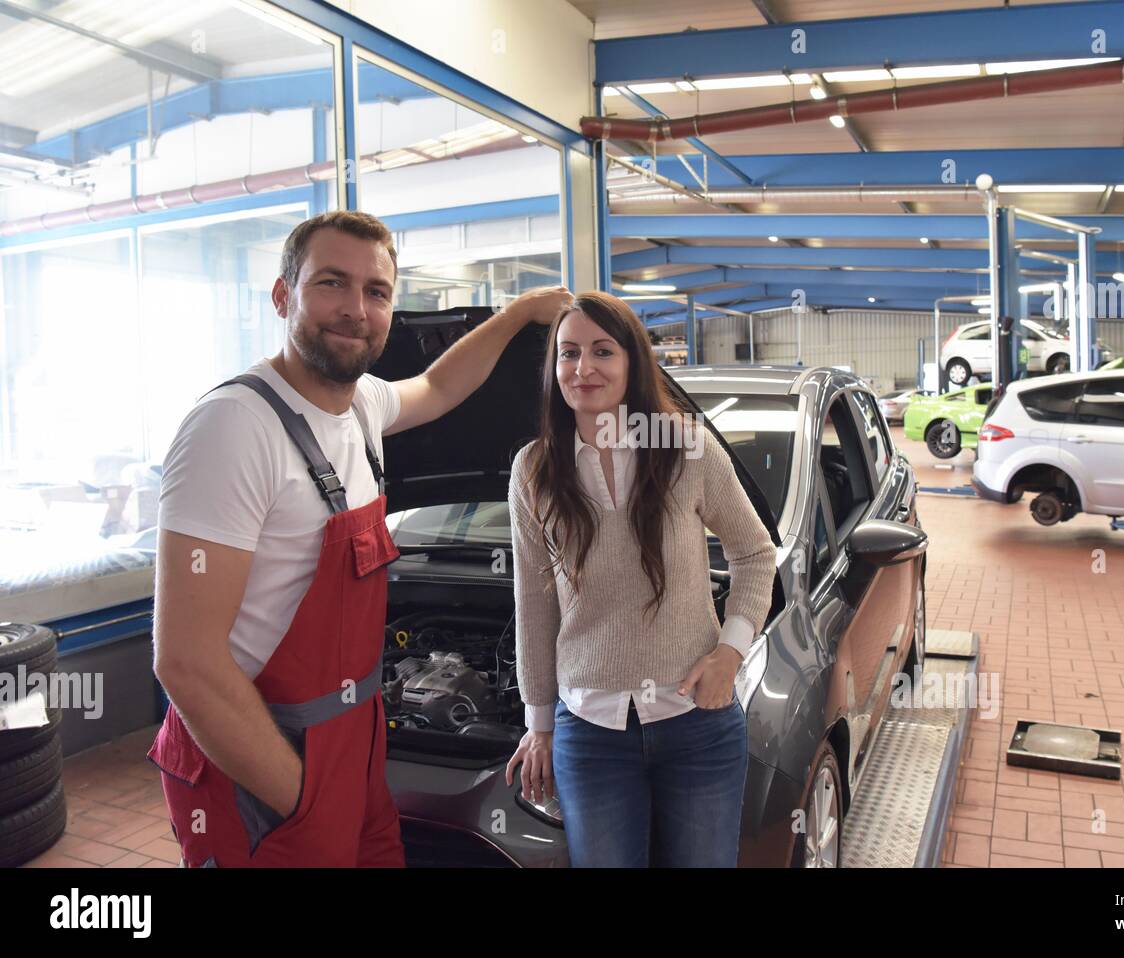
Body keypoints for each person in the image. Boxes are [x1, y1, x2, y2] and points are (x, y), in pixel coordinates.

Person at [149, 209, 571, 867]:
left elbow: (439, 384)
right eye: (331, 284)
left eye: (375, 292)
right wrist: (302, 798)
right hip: (261, 763)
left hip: (352, 742)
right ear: (284, 295)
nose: (355, 309)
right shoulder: (233, 428)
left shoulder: (361, 406)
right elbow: (186, 663)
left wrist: (520, 313)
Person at [503, 291, 777, 867]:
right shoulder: (533, 469)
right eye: (568, 352)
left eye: (603, 351)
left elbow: (754, 553)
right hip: (590, 733)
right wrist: (539, 722)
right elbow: (534, 601)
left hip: (696, 724)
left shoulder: (686, 450)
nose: (584, 368)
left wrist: (731, 653)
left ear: (632, 361)